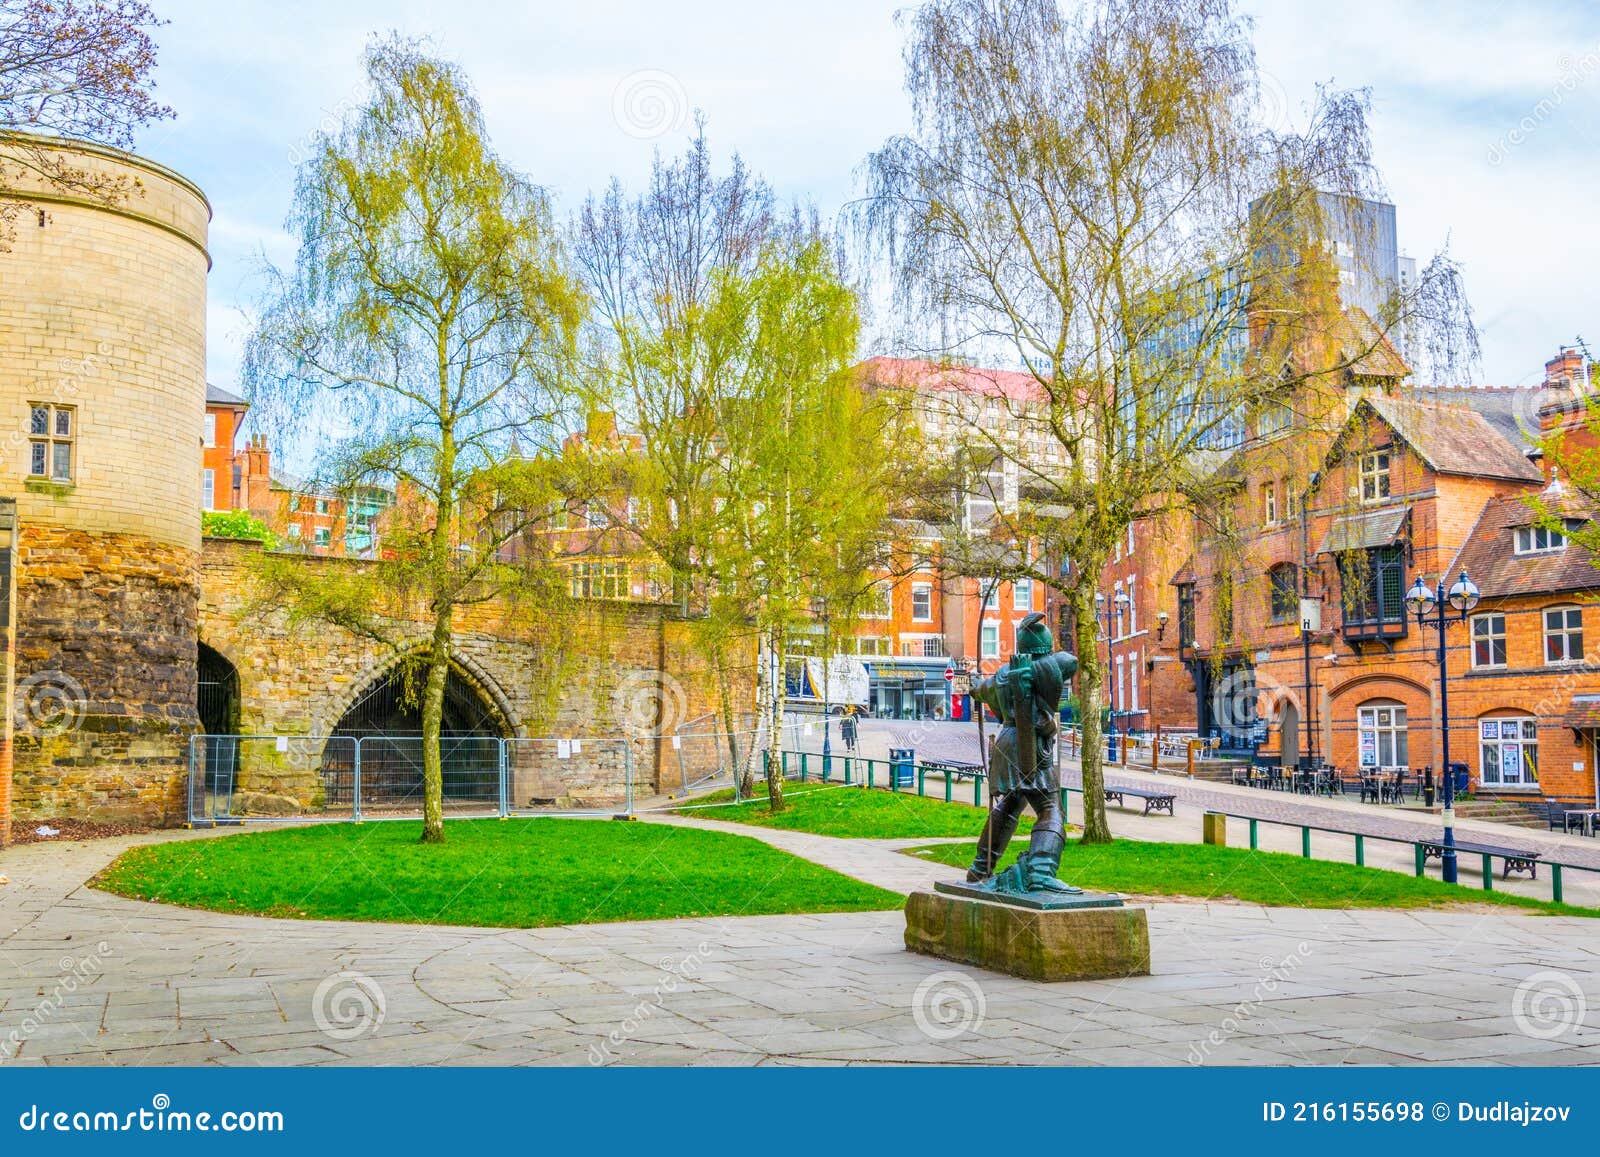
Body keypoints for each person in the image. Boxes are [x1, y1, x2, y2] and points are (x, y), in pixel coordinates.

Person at [966, 612, 1080, 895]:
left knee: (1011, 804)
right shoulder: (1047, 668)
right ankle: (1041, 871)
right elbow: (1071, 661)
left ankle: (981, 867)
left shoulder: (1004, 674)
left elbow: (979, 690)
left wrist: (977, 684)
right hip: (1030, 746)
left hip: (1007, 743)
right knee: (1050, 808)